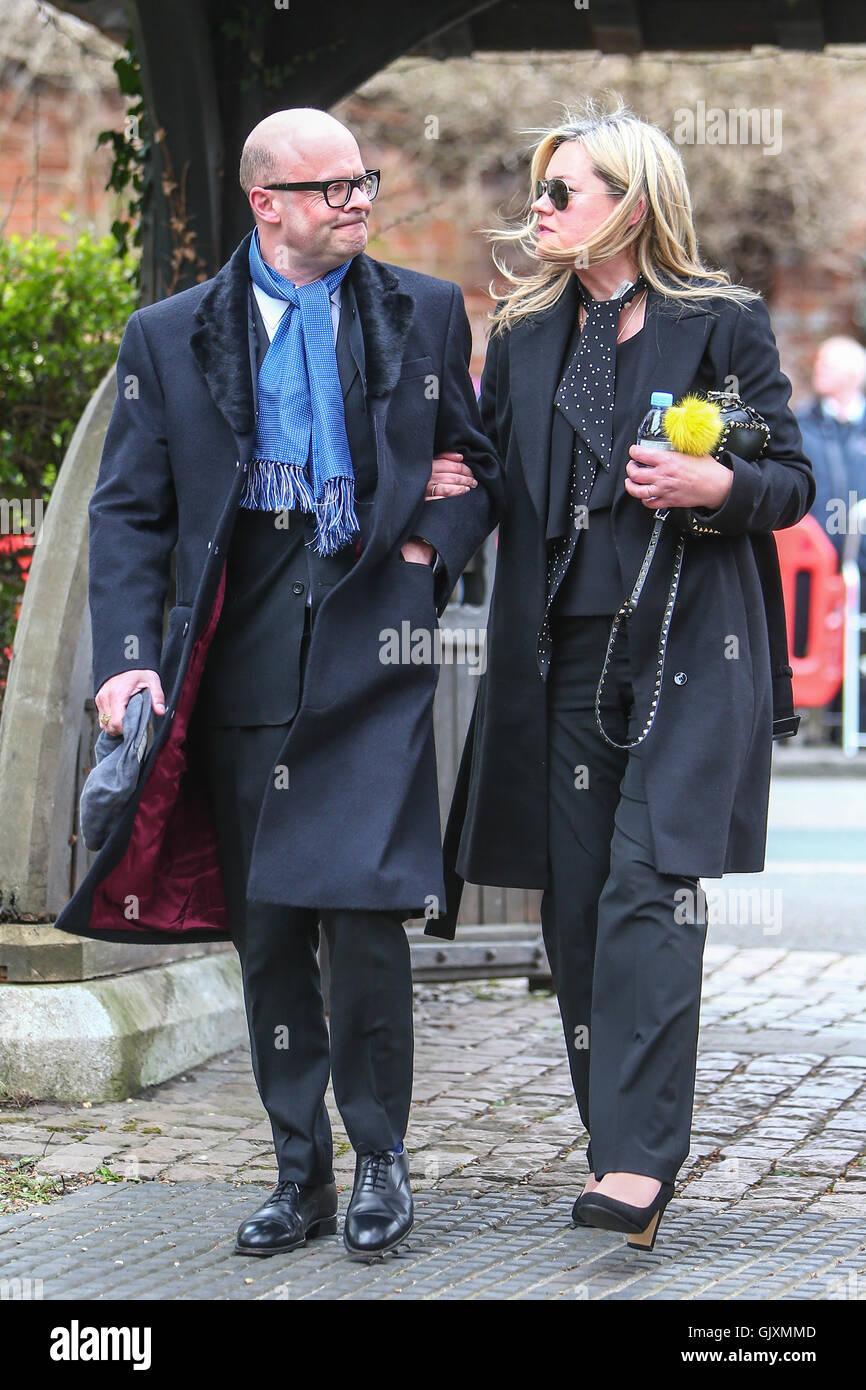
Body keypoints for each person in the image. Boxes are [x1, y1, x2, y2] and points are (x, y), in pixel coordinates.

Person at [53, 108, 502, 1259]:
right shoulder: (168, 336)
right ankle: (297, 1173)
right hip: (241, 646)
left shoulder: (423, 308)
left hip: (373, 648)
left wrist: (427, 546)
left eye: (364, 182)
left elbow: (473, 471)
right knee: (268, 930)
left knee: (361, 920)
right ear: (267, 202)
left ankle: (381, 1161)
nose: (358, 200)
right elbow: (130, 513)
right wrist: (127, 663)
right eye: (333, 187)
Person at [428, 98, 814, 1252]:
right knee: (581, 903)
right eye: (537, 190)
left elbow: (788, 478)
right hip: (559, 658)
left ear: (629, 204)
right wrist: (433, 523)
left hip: (689, 648)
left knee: (650, 885)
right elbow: (498, 485)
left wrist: (719, 491)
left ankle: (641, 1162)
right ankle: (617, 1137)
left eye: (562, 190)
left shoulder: (721, 323)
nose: (538, 209)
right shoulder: (524, 331)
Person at [797, 336, 866, 735]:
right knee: (804, 633)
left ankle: (849, 719)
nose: (819, 368)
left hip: (860, 558)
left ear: (854, 374)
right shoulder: (802, 425)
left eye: (830, 364)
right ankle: (804, 722)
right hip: (810, 560)